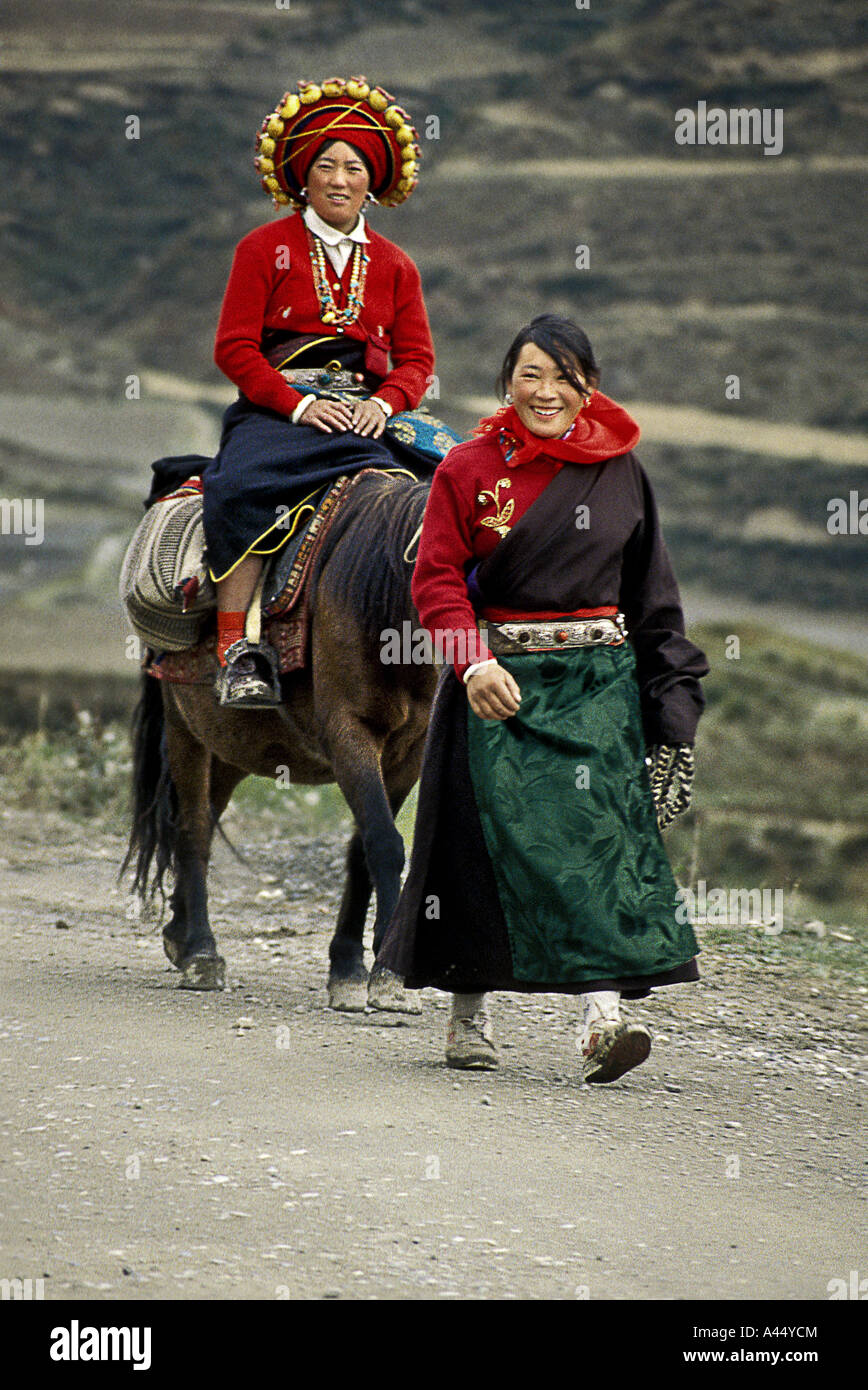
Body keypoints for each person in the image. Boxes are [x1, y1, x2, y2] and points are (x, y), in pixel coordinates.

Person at [377, 314, 709, 1083]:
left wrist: (673, 710)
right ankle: (468, 1015)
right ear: (507, 382)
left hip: (598, 693)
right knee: (474, 849)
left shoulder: (621, 470)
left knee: (600, 852)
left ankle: (603, 1018)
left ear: (588, 385)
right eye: (532, 374)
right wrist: (471, 663)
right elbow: (434, 581)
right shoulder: (467, 468)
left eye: (564, 377)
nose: (547, 391)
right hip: (496, 687)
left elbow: (655, 600)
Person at [201, 77, 461, 706]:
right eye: (325, 165)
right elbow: (233, 349)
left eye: (353, 167)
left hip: (367, 415)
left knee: (459, 482)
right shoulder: (261, 249)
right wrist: (299, 404)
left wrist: (381, 404)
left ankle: (471, 640)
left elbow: (417, 360)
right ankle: (238, 651)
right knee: (237, 487)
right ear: (302, 176)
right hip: (278, 410)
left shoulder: (397, 265)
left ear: (373, 181)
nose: (339, 179)